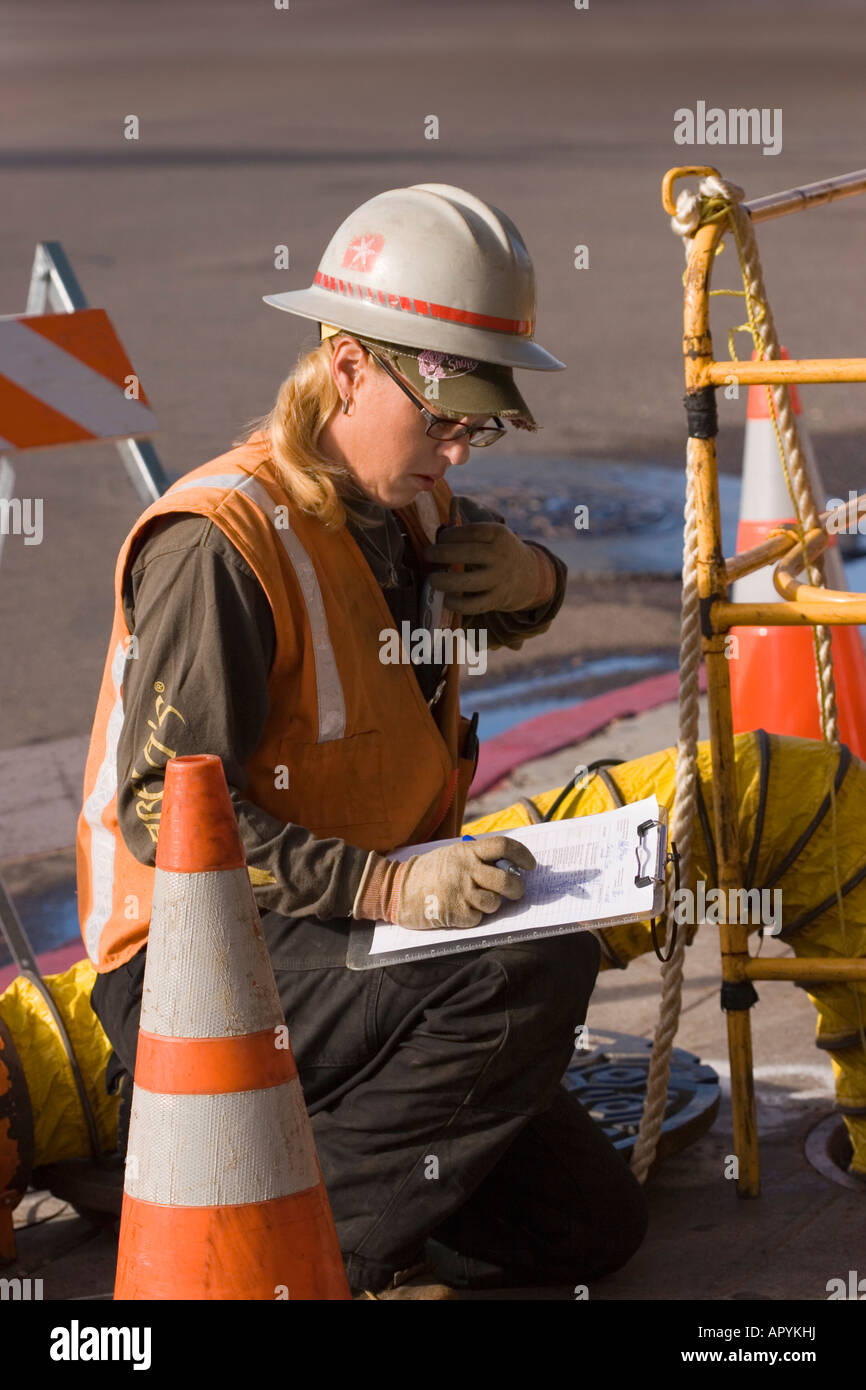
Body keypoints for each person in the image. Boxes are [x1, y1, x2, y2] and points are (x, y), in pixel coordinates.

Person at [77, 183, 647, 1298]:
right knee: (531, 969)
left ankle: (274, 1175)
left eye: (476, 426)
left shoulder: (405, 500)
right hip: (199, 967)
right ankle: (293, 1257)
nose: (458, 456)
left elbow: (485, 579)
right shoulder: (221, 544)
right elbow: (168, 810)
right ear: (344, 368)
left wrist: (537, 583)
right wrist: (390, 888)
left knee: (590, 1226)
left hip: (341, 948)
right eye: (441, 420)